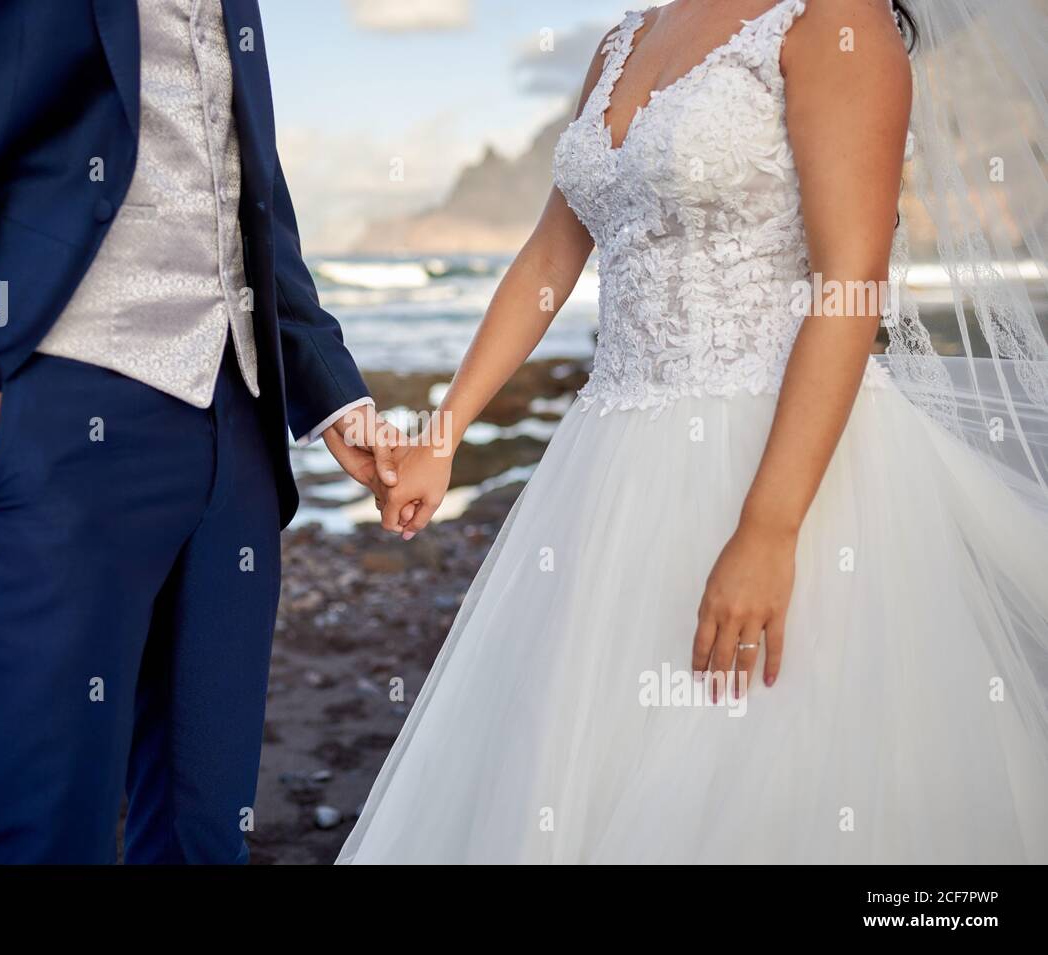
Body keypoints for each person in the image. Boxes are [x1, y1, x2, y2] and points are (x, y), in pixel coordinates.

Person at [341, 0, 1048, 863]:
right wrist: (444, 433)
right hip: (606, 463)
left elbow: (851, 285)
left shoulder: (832, 21)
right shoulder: (619, 42)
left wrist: (769, 529)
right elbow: (549, 259)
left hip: (785, 461)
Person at [0, 0, 399, 863]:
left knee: (205, 839)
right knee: (44, 841)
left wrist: (329, 391)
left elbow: (243, 181)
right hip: (40, 428)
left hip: (236, 428)